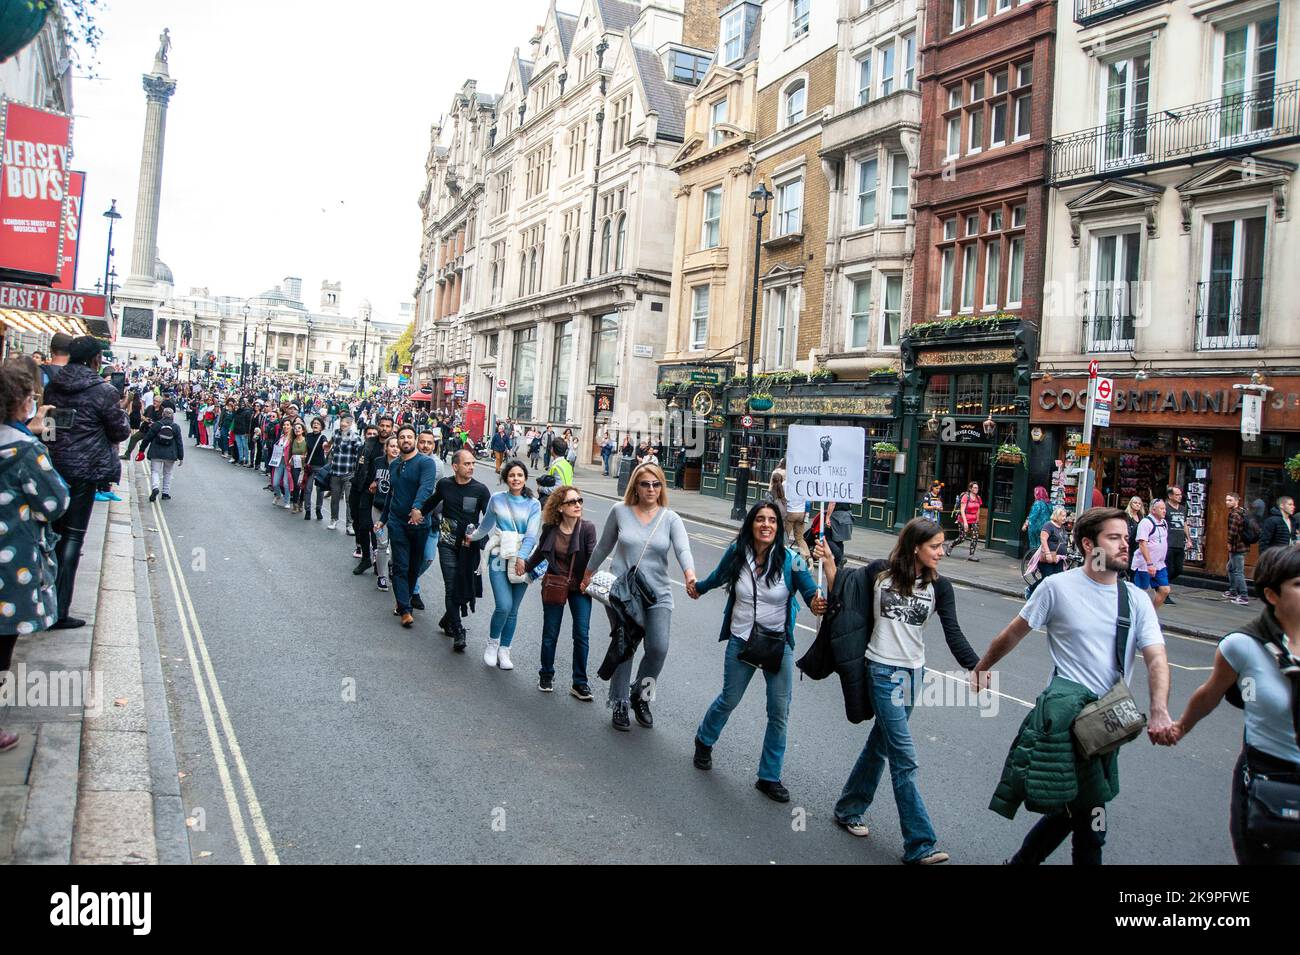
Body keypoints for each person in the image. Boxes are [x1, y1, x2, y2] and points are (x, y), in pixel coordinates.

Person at [974, 507, 1172, 865]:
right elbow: (1013, 633)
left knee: (1072, 809)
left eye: (1126, 538)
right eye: (1115, 538)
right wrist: (982, 667)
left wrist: (1159, 710)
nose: (1125, 545)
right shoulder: (1056, 587)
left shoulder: (1137, 599)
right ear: (1087, 544)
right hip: (1065, 721)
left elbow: (1157, 658)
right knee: (1091, 821)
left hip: (1109, 721)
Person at [816, 518, 979, 864]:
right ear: (915, 546)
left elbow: (953, 633)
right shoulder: (880, 573)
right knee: (904, 758)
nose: (941, 552)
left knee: (881, 746)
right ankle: (919, 843)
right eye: (935, 546)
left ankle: (848, 808)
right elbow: (844, 594)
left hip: (913, 675)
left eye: (941, 546)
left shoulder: (941, 587)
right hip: (881, 671)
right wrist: (829, 561)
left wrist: (977, 666)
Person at [1167, 544, 1300, 865]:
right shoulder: (1243, 646)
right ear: (1272, 595)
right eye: (1298, 584)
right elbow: (1210, 693)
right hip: (1269, 783)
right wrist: (1179, 728)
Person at [688, 501, 824, 802]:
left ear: (778, 527)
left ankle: (769, 776)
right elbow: (718, 577)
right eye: (760, 519)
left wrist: (817, 602)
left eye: (773, 521)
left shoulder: (792, 559)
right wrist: (699, 587)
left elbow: (811, 593)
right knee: (729, 699)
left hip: (778, 645)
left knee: (779, 713)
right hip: (741, 639)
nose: (766, 525)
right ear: (751, 524)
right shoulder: (738, 553)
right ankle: (704, 740)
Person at [583, 463, 697, 732]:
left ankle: (640, 697)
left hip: (658, 594)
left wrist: (690, 576)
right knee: (627, 645)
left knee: (658, 648)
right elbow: (604, 545)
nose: (651, 489)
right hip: (623, 594)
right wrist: (587, 573)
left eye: (656, 484)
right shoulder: (619, 511)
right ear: (635, 485)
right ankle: (620, 702)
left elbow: (683, 549)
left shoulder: (670, 518)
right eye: (645, 484)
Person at [0, 357, 69, 750]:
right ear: (20, 401)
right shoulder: (26, 450)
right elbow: (56, 501)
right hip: (12, 561)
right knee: (1, 645)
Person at [42, 337, 131, 630]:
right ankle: (59, 611)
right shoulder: (102, 391)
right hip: (84, 471)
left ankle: (43, 602)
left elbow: (49, 428)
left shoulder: (53, 385)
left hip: (53, 467)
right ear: (95, 359)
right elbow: (119, 432)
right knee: (72, 537)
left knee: (52, 534)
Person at [525, 484, 597, 698]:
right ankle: (546, 674)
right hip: (555, 583)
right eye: (571, 502)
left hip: (580, 587)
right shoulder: (550, 529)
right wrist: (524, 567)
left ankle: (579, 682)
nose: (577, 505)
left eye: (579, 501)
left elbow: (594, 556)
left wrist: (588, 578)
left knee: (581, 634)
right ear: (559, 507)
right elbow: (540, 552)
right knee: (550, 632)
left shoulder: (587, 528)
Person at [470, 459, 542, 670]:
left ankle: (505, 650)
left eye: (520, 475)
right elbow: (486, 526)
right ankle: (492, 644)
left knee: (513, 609)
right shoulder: (497, 499)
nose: (516, 479)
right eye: (511, 475)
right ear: (505, 478)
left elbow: (531, 535)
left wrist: (522, 558)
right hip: (499, 556)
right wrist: (472, 537)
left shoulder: (533, 503)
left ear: (525, 478)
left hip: (523, 557)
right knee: (504, 605)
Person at [423, 448, 491, 650]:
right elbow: (432, 502)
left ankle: (447, 619)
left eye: (472, 464)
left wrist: (486, 540)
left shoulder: (480, 490)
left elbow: (488, 519)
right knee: (451, 586)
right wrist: (419, 512)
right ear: (455, 466)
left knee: (464, 587)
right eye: (466, 464)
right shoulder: (445, 484)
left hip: (468, 547)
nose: (471, 467)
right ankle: (458, 630)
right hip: (447, 543)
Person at [378, 426, 439, 627]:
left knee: (414, 566)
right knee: (400, 566)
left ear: (414, 440)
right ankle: (405, 608)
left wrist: (417, 508)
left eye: (409, 437)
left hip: (419, 523)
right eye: (402, 437)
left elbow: (426, 487)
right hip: (397, 522)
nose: (405, 440)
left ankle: (403, 600)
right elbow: (391, 494)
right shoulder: (394, 465)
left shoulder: (426, 463)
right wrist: (384, 519)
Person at [369, 435, 400, 592]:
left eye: (397, 446)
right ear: (386, 448)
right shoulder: (378, 462)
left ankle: (391, 566)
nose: (395, 448)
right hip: (378, 509)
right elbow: (374, 479)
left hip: (395, 512)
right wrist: (373, 484)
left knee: (395, 544)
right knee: (382, 543)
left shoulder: (403, 465)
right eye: (392, 446)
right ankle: (382, 577)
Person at [327, 414, 363, 532]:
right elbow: (330, 444)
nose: (344, 424)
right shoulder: (336, 433)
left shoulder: (355, 437)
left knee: (349, 500)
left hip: (349, 473)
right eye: (343, 421)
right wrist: (326, 446)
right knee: (334, 498)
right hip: (335, 472)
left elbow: (360, 453)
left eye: (347, 422)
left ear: (351, 424)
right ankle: (334, 519)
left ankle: (350, 524)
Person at [1133, 498, 1170, 609]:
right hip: (1144, 564)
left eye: (1165, 508)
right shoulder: (1146, 523)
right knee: (1140, 592)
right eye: (1161, 509)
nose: (1164, 511)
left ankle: (1151, 614)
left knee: (1165, 589)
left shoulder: (1164, 523)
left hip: (1159, 563)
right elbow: (1142, 544)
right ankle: (1134, 615)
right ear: (1153, 510)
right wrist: (1149, 564)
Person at [140, 407, 184, 502]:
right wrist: (181, 457)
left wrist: (141, 450)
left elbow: (147, 438)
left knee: (155, 472)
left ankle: (155, 487)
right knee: (168, 473)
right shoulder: (176, 427)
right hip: (170, 454)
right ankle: (165, 493)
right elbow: (179, 442)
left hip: (156, 452)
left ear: (163, 415)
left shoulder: (157, 425)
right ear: (172, 416)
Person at [1026, 507, 1069, 597]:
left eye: (1065, 516)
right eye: (1063, 516)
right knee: (1048, 579)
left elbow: (1063, 540)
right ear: (1057, 516)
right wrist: (1048, 553)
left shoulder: (1062, 527)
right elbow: (1043, 539)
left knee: (1057, 579)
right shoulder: (1049, 525)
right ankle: (1031, 589)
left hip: (1058, 559)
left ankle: (1048, 598)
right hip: (1048, 558)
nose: (1065, 518)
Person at [1224, 492, 1251, 605]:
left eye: (1230, 500)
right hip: (1242, 545)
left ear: (1236, 501)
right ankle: (1233, 591)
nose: (1227, 502)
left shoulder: (1235, 514)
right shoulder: (1243, 512)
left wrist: (1229, 542)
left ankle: (1243, 595)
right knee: (1230, 567)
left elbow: (1233, 531)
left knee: (1238, 571)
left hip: (1237, 546)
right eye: (1226, 500)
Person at [301, 417, 329, 521]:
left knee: (320, 490)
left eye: (318, 424)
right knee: (307, 489)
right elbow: (304, 448)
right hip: (309, 466)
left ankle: (318, 509)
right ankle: (307, 510)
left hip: (320, 466)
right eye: (314, 423)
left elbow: (325, 444)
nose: (315, 425)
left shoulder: (322, 437)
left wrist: (325, 445)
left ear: (321, 427)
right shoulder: (308, 436)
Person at [1163, 486, 1187, 606]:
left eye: (1180, 494)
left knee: (1178, 569)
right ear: (1170, 496)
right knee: (1169, 568)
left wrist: (1188, 539)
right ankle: (1165, 593)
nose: (1179, 497)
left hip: (1179, 543)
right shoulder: (1165, 508)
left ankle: (1162, 584)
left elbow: (1185, 524)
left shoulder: (1182, 509)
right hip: (1168, 543)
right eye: (1177, 495)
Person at [285, 419, 309, 512]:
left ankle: (301, 503)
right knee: (296, 484)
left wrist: (305, 456)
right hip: (295, 465)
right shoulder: (292, 441)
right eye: (295, 428)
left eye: (299, 428)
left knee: (303, 485)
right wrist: (289, 460)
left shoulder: (306, 440)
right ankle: (295, 504)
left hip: (304, 466)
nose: (297, 430)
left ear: (303, 430)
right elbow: (290, 452)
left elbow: (309, 452)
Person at [956, 481, 982, 561]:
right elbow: (962, 510)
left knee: (975, 537)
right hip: (963, 519)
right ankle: (950, 546)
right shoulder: (965, 497)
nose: (976, 489)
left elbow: (978, 509)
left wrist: (977, 519)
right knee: (962, 538)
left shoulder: (978, 498)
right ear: (970, 489)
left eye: (977, 487)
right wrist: (965, 523)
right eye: (974, 487)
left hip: (973, 519)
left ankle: (971, 555)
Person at [1021, 486, 1051, 554]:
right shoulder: (1049, 503)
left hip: (1036, 528)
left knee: (1034, 547)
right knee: (1043, 545)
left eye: (1035, 493)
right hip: (1046, 528)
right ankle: (1041, 560)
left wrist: (1025, 525)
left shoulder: (1037, 503)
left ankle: (1035, 562)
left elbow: (1032, 517)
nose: (1034, 494)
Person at [1123, 496, 1145, 580]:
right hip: (1130, 543)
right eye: (1135, 503)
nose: (1137, 505)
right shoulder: (1126, 516)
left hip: (1138, 544)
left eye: (1139, 503)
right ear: (1130, 504)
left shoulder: (1142, 517)